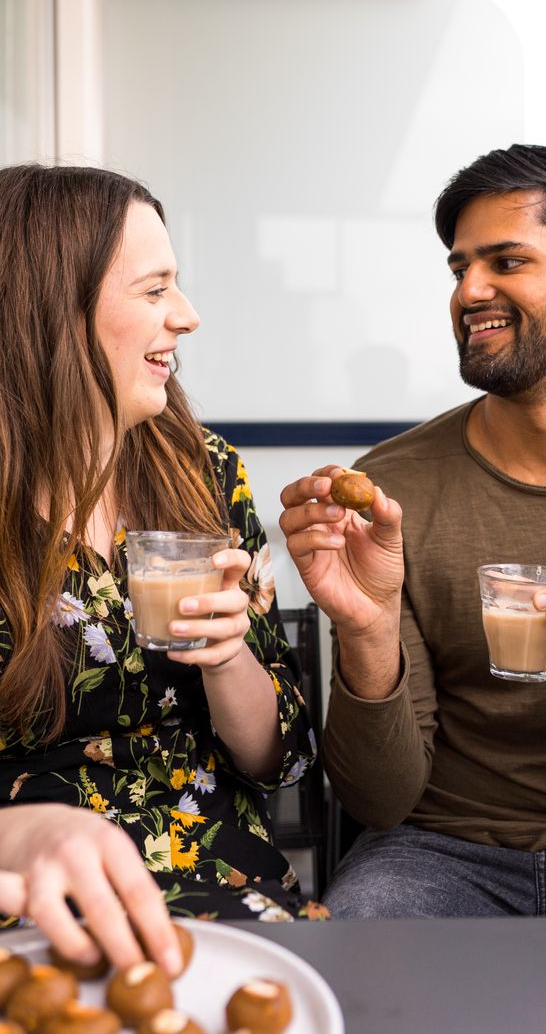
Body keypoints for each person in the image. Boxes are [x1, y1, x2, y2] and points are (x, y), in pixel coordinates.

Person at [279, 144, 546, 921]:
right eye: (459, 266)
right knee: (362, 938)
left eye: (506, 261)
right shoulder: (393, 488)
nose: (471, 290)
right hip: (435, 854)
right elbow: (380, 796)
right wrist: (366, 628)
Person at [0, 164, 326, 975]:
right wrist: (27, 830)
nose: (187, 315)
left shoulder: (205, 471)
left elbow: (279, 758)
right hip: (35, 903)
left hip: (223, 882)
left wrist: (228, 658)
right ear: (52, 314)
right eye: (154, 290)